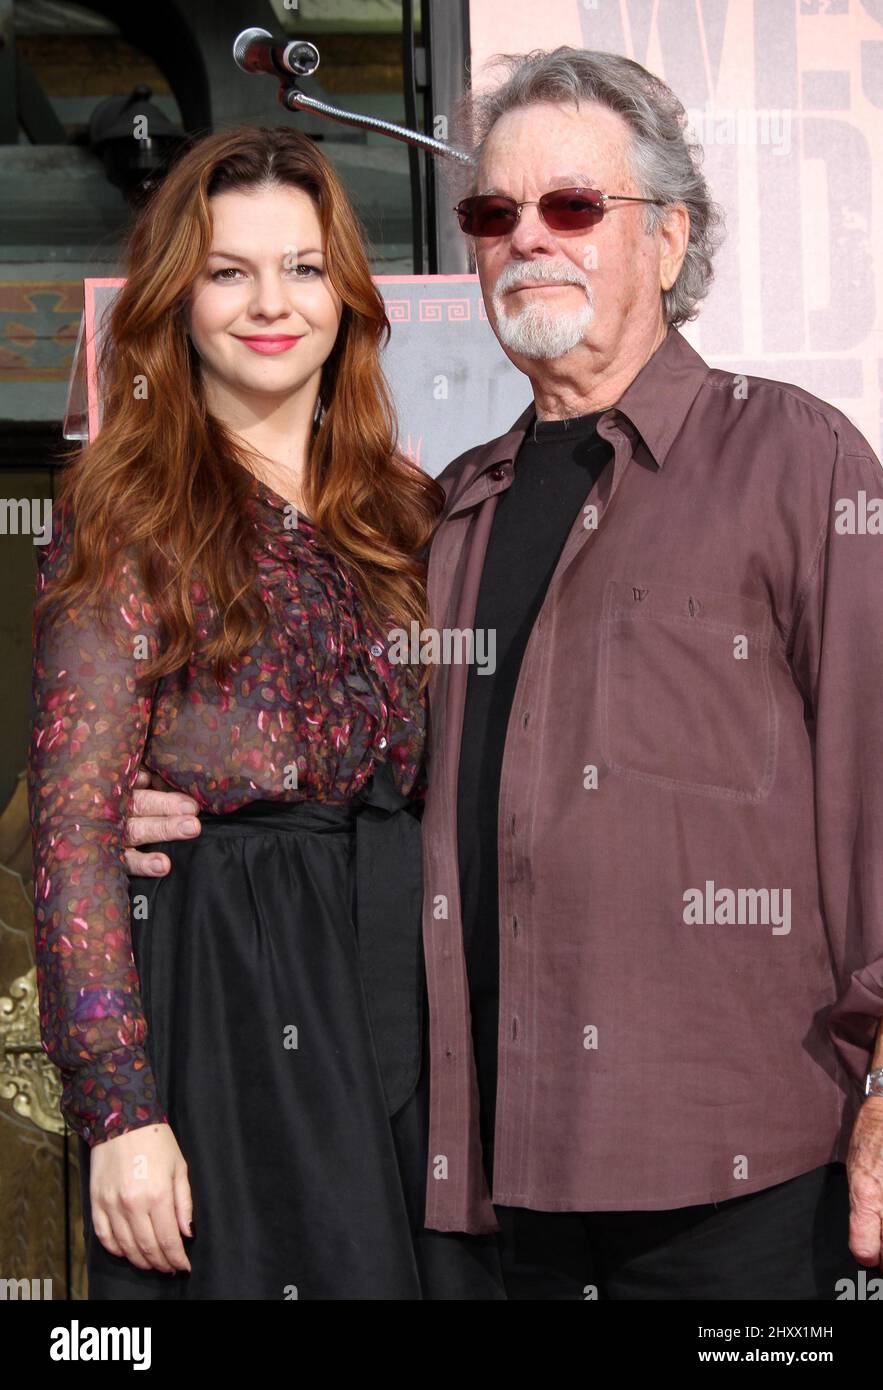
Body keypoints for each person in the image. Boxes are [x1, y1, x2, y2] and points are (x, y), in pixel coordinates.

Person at [122, 50, 883, 1300]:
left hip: (738, 1190)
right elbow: (337, 758)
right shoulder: (446, 512)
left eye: (572, 206)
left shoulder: (794, 461)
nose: (526, 238)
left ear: (669, 233)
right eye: (493, 213)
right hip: (487, 1190)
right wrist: (135, 801)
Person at [27, 125, 504, 1301]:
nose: (268, 303)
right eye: (228, 271)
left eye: (300, 266)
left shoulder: (409, 509)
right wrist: (118, 1108)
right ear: (177, 299)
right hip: (221, 993)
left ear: (344, 291)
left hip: (401, 985)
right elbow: (75, 834)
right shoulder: (124, 506)